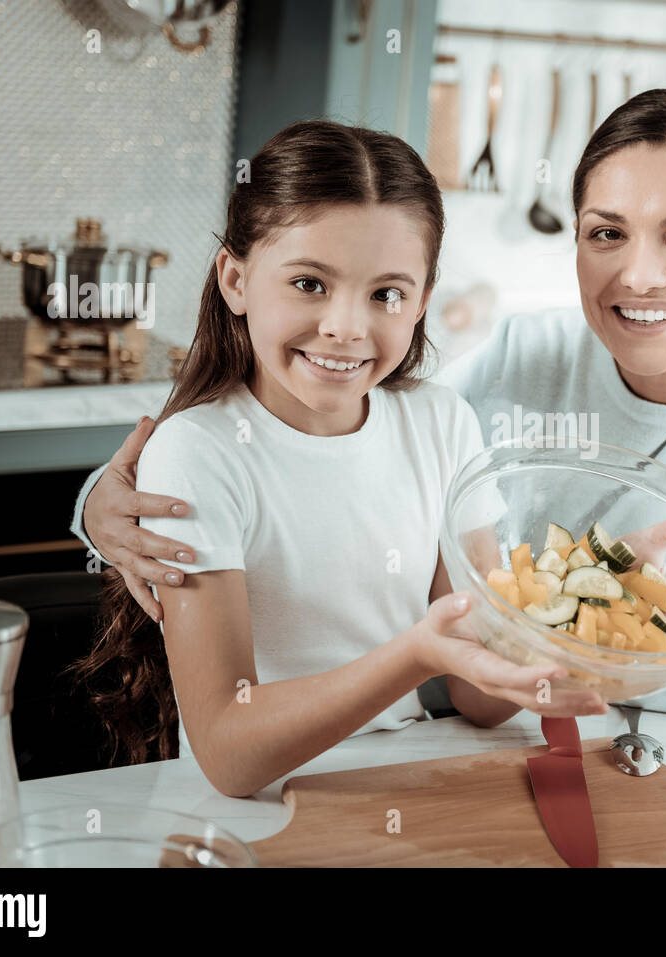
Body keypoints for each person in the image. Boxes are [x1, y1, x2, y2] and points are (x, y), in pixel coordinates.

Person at [73, 89, 666, 718]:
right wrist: (102, 511)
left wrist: (581, 599)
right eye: (607, 232)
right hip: (485, 722)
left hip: (650, 724)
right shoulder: (529, 353)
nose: (642, 275)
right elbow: (347, 440)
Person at [68, 120, 607, 800]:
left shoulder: (442, 423)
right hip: (260, 812)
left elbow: (479, 693)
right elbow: (229, 751)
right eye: (310, 283)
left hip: (405, 785)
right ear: (235, 279)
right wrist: (415, 655)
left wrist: (576, 613)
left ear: (421, 304)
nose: (346, 326)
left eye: (386, 294)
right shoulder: (198, 451)